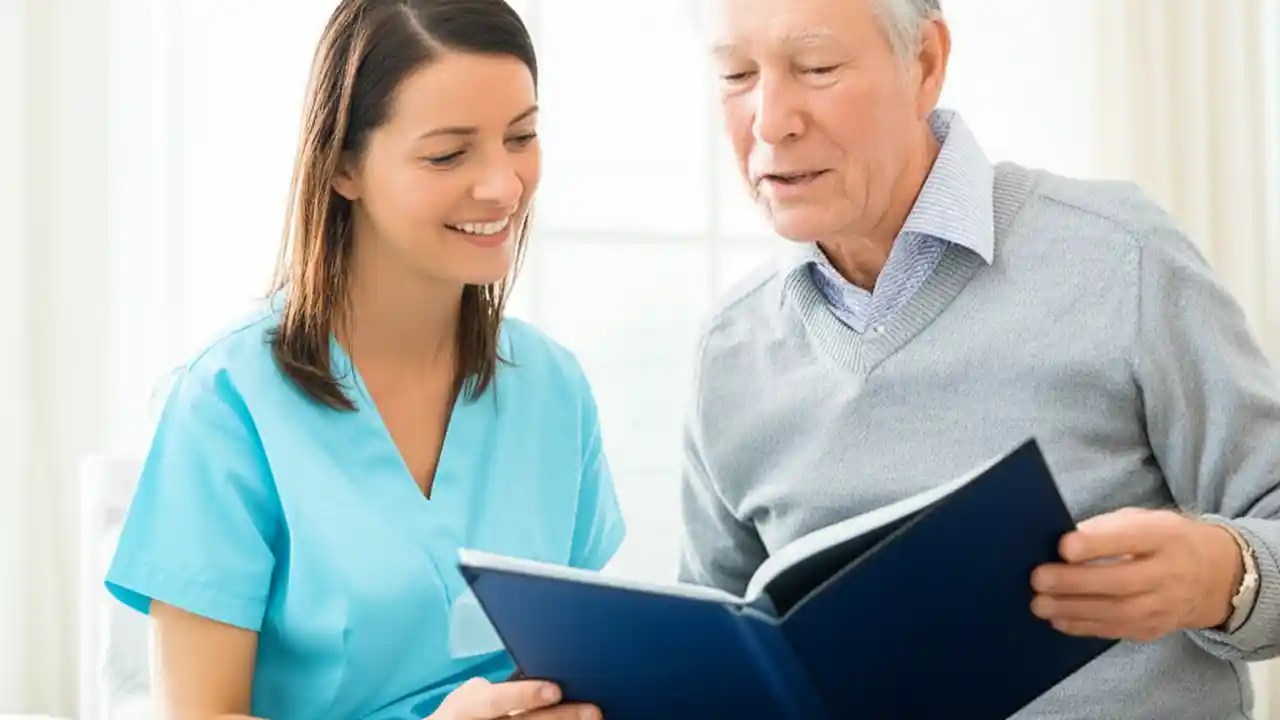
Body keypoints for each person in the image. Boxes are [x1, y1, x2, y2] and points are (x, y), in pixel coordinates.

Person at [678, 0, 1280, 716]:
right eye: (736, 74)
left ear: (924, 62)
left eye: (816, 68)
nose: (770, 120)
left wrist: (1221, 576)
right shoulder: (729, 353)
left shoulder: (1122, 257)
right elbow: (711, 663)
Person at [104, 2, 621, 718]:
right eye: (448, 153)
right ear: (344, 165)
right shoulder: (227, 402)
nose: (502, 185)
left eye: (522, 137)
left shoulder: (553, 390)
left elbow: (588, 670)